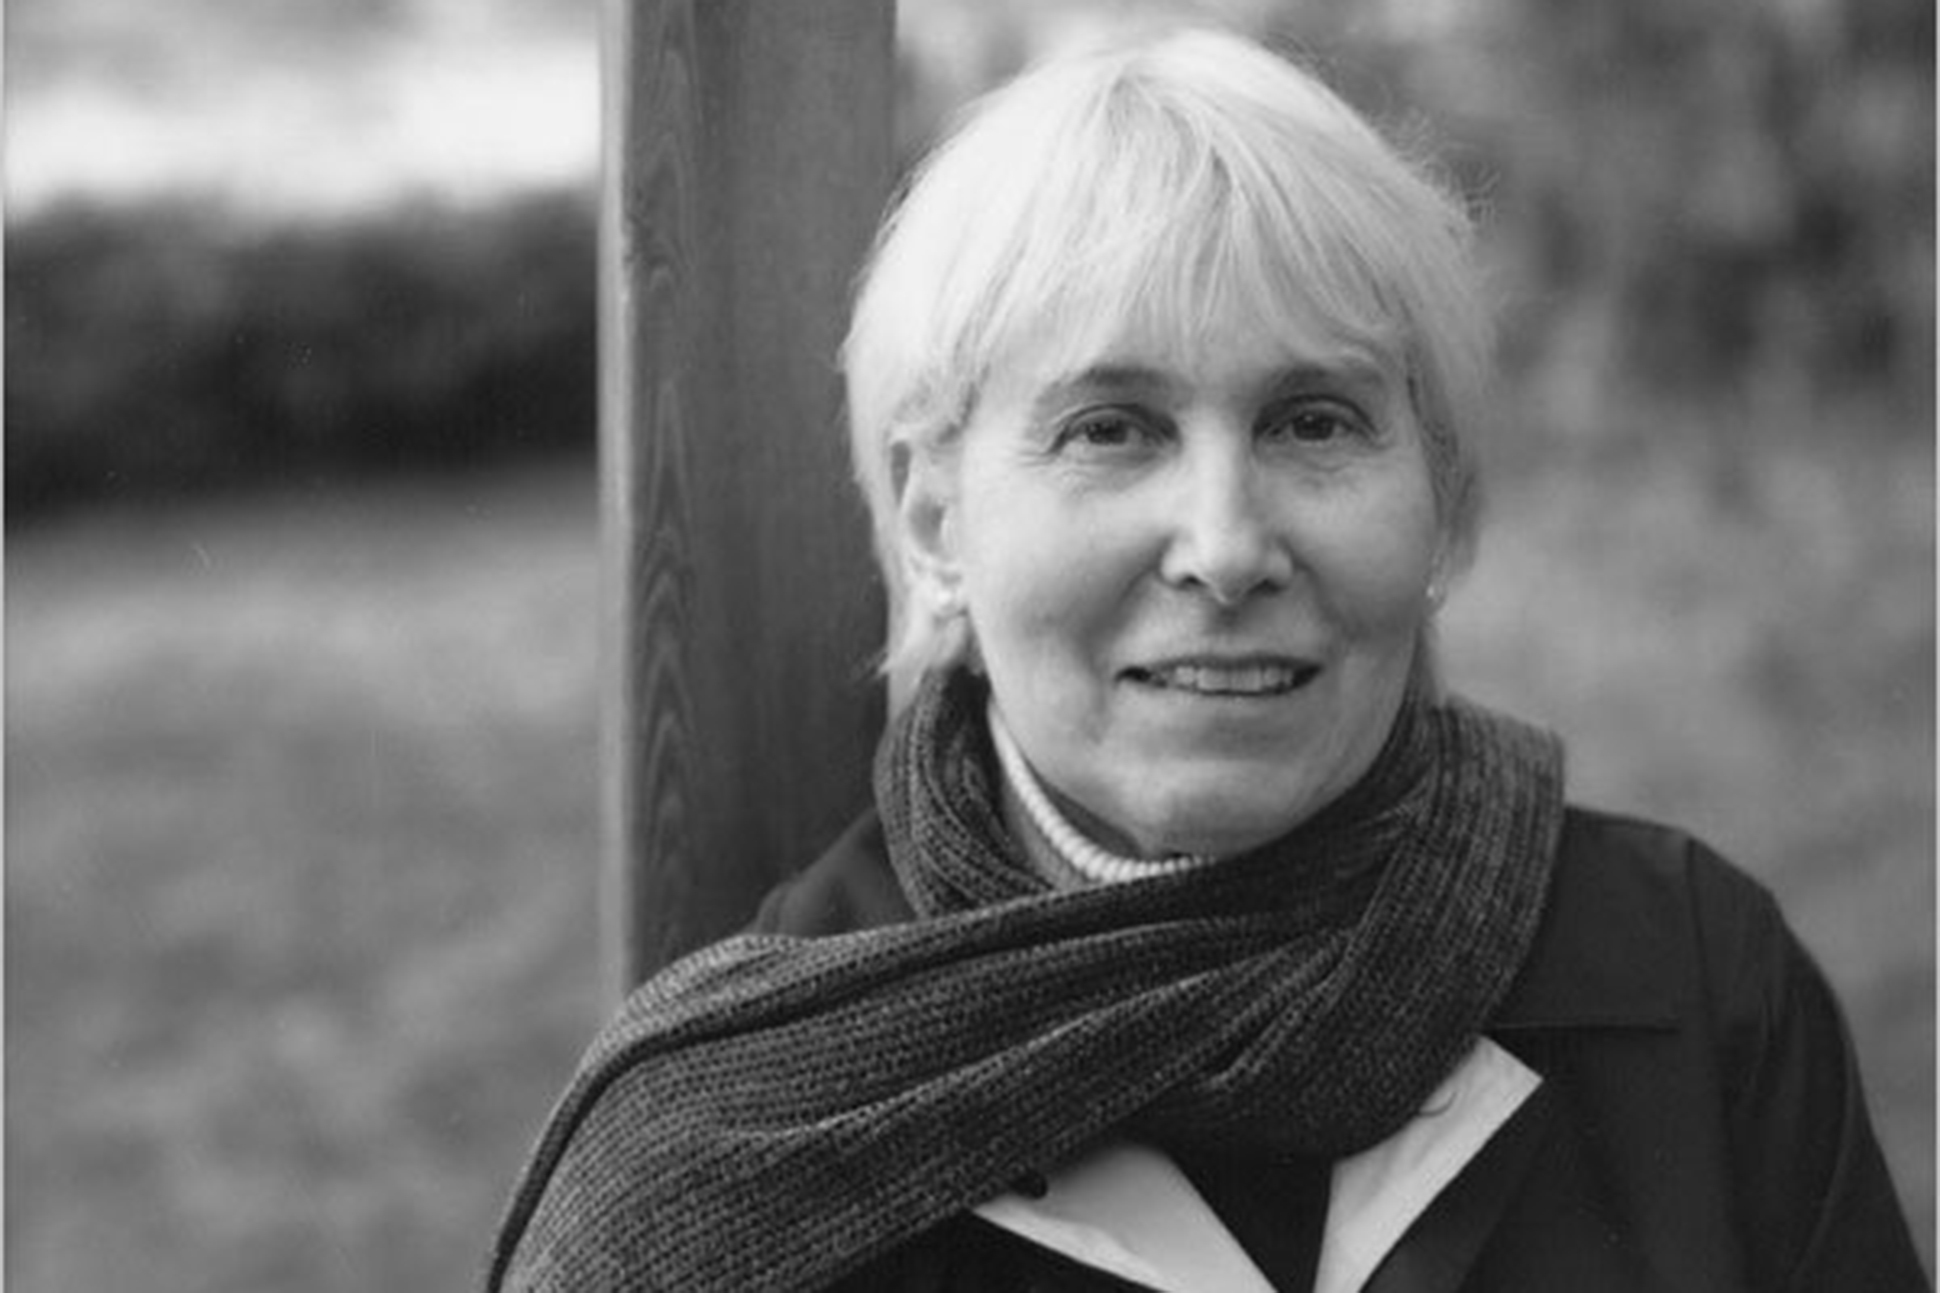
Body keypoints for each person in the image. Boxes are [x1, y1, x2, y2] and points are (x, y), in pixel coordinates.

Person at [486, 29, 1925, 1293]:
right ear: (936, 524)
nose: (1227, 547)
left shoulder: (1690, 984)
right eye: (1112, 428)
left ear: (1436, 496)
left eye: (1314, 421)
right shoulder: (721, 1149)